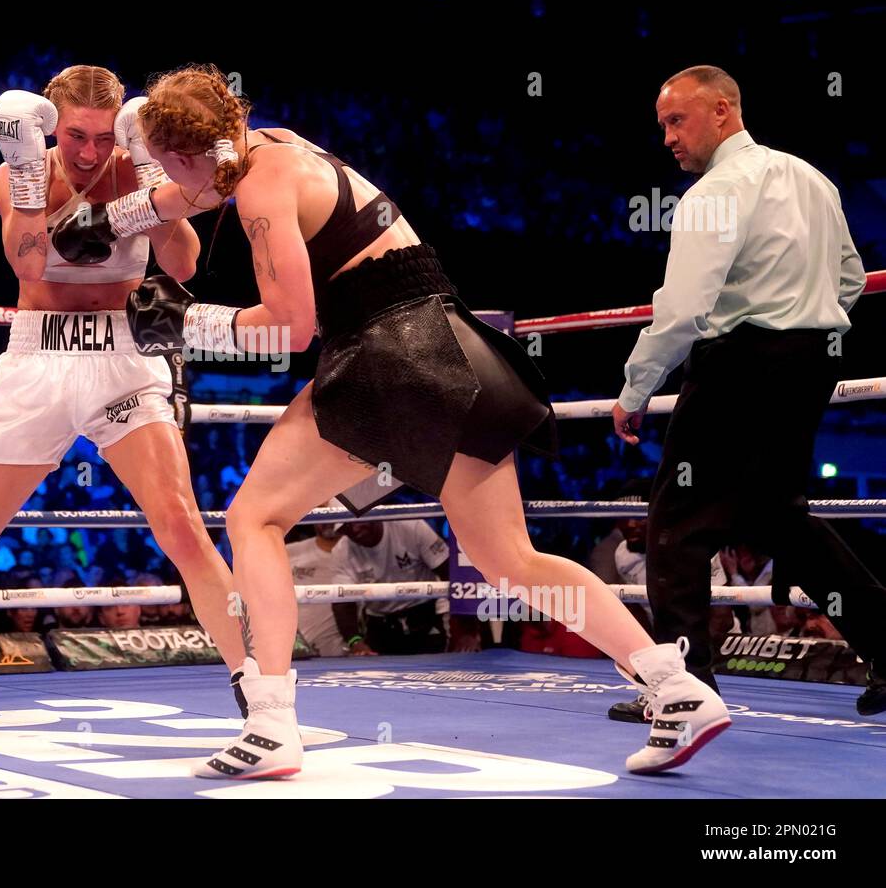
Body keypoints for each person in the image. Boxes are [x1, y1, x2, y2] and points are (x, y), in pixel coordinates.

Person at [54, 63, 730, 777]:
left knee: (254, 517)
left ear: (188, 150)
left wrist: (189, 321)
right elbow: (189, 192)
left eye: (166, 163)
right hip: (453, 347)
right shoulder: (269, 146)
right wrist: (111, 219)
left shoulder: (258, 187)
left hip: (390, 354)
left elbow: (290, 327)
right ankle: (674, 684)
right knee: (510, 559)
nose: (170, 178)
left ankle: (271, 723)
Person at [0, 67, 249, 732]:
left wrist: (146, 178)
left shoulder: (136, 166)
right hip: (37, 356)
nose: (89, 152)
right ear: (51, 126)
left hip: (121, 355)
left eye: (103, 136)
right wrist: (31, 180)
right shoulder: (19, 171)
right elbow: (28, 264)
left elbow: (183, 266)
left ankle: (255, 687)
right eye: (75, 136)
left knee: (182, 527)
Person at [611, 65, 886, 718]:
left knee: (676, 523)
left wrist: (635, 387)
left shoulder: (715, 192)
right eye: (662, 126)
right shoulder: (812, 179)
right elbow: (849, 277)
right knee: (782, 521)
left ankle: (687, 687)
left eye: (677, 120)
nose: (668, 139)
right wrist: (805, 322)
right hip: (810, 360)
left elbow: (681, 309)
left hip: (742, 362)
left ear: (723, 110)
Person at [333, 519, 450, 656]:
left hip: (426, 615)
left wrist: (465, 628)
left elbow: (449, 572)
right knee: (377, 674)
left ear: (373, 515)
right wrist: (355, 641)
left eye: (357, 522)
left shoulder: (412, 527)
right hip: (380, 624)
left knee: (435, 671)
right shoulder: (342, 550)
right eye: (346, 527)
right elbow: (341, 601)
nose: (354, 529)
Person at [285, 519, 352, 657]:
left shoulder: (357, 552)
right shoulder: (291, 552)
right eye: (322, 510)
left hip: (341, 650)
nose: (328, 520)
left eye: (333, 512)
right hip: (292, 648)